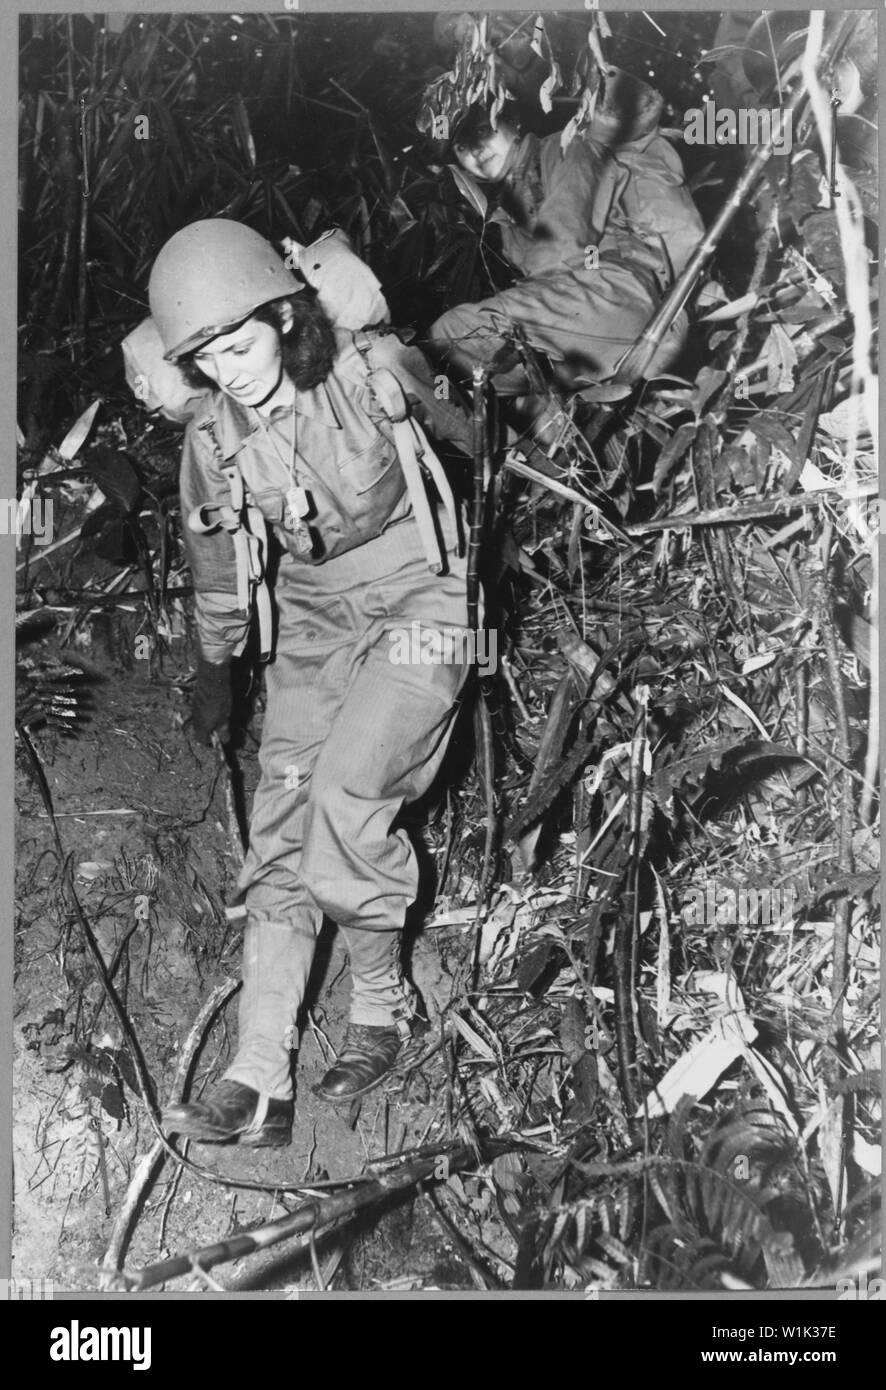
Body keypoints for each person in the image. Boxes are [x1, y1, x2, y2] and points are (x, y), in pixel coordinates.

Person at [146, 219, 474, 1147]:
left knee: (346, 794)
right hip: (315, 618)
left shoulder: (370, 371)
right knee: (282, 824)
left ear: (287, 318)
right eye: (206, 356)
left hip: (423, 594)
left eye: (242, 342)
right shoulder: (212, 437)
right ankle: (259, 1075)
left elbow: (485, 441)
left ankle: (381, 1005)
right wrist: (216, 676)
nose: (230, 369)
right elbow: (217, 573)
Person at [426, 95, 704, 431]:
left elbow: (561, 246)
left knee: (452, 334)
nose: (477, 149)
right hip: (588, 322)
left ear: (513, 123)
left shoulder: (564, 148)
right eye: (461, 145)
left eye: (483, 130)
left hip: (619, 296)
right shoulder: (507, 209)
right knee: (475, 383)